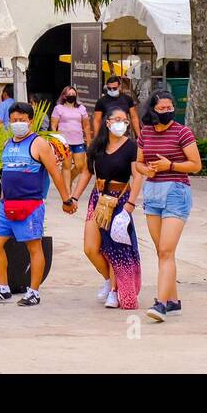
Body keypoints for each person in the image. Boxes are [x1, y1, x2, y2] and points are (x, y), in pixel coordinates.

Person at [0, 102, 77, 306]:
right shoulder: (7, 144)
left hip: (31, 204)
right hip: (6, 204)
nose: (18, 124)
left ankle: (34, 291)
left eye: (22, 120)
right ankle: (2, 287)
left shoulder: (39, 144)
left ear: (30, 122)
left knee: (34, 247)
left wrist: (66, 199)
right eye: (14, 120)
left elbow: (55, 172)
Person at [136, 89, 202, 322]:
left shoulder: (182, 132)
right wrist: (148, 169)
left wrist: (170, 165)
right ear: (152, 109)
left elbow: (195, 165)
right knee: (162, 251)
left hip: (176, 191)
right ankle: (173, 301)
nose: (166, 111)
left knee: (166, 250)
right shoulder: (146, 132)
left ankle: (161, 303)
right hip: (153, 191)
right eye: (162, 108)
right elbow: (139, 163)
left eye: (169, 107)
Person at [72, 105, 143, 309]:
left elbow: (138, 175)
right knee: (91, 247)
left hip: (119, 200)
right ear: (108, 122)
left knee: (115, 248)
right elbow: (87, 172)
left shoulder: (131, 147)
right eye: (117, 119)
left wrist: (130, 205)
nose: (121, 123)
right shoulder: (97, 145)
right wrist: (74, 197)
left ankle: (115, 291)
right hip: (98, 198)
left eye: (125, 120)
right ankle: (108, 279)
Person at [50, 85, 92, 196]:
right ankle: (67, 192)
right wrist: (56, 140)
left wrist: (89, 141)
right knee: (66, 166)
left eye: (73, 94)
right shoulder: (58, 108)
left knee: (80, 166)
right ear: (64, 96)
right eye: (69, 94)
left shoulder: (81, 108)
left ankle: (69, 180)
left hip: (78, 141)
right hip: (64, 142)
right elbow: (54, 125)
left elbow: (86, 126)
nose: (71, 96)